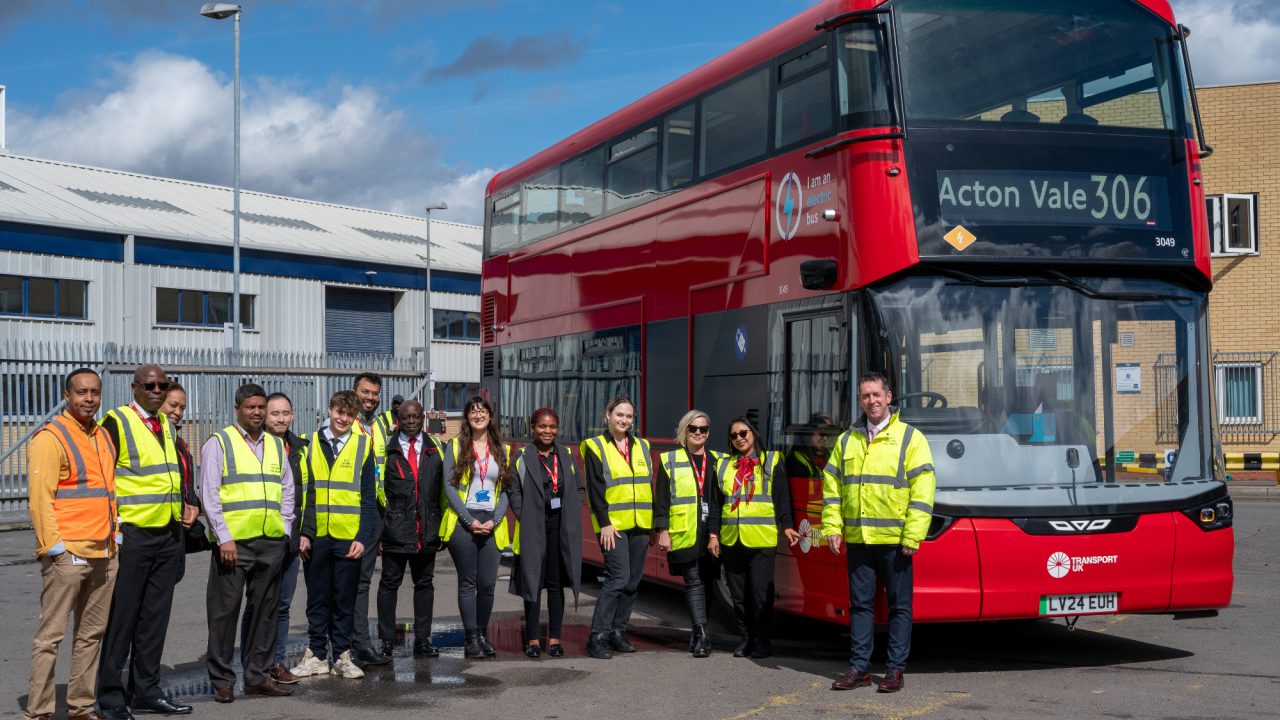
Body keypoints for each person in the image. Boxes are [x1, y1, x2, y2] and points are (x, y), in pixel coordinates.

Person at [824, 372, 936, 694]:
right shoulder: (848, 440)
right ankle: (859, 668)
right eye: (865, 396)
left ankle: (894, 670)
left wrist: (912, 535)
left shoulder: (910, 438)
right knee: (860, 606)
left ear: (889, 397)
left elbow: (923, 489)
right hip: (859, 539)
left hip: (896, 542)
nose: (871, 401)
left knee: (900, 606)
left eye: (876, 395)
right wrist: (832, 527)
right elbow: (831, 486)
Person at [97, 365, 194, 720]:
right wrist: (113, 528)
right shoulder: (116, 422)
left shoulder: (166, 425)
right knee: (122, 619)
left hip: (167, 535)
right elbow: (102, 478)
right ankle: (109, 698)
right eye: (150, 385)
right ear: (135, 387)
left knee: (154, 619)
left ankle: (146, 691)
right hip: (133, 536)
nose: (157, 390)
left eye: (162, 385)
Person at [24, 368, 118, 720]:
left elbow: (109, 492)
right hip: (69, 554)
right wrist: (56, 549)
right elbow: (40, 501)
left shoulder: (102, 436)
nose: (89, 399)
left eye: (94, 392)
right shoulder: (51, 438)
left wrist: (116, 535)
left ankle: (80, 706)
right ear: (67, 395)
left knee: (91, 635)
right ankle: (39, 712)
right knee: (50, 638)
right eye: (81, 392)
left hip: (105, 551)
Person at [200, 384, 295, 703]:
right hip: (234, 544)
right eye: (250, 407)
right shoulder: (220, 443)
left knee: (264, 612)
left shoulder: (274, 444)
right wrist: (223, 537)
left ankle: (256, 676)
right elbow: (209, 494)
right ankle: (222, 679)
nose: (256, 412)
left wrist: (285, 530)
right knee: (224, 613)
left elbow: (287, 489)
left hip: (270, 542)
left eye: (261, 407)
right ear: (238, 408)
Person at [290, 390, 380, 680]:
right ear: (329, 410)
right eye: (339, 412)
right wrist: (305, 532)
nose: (343, 418)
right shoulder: (310, 443)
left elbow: (368, 498)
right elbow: (306, 493)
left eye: (349, 415)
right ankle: (316, 655)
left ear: (355, 418)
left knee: (344, 599)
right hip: (317, 536)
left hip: (348, 537)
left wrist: (362, 538)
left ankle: (342, 655)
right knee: (317, 599)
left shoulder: (364, 446)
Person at [707, 417, 801, 659]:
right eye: (734, 435)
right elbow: (717, 505)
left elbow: (782, 498)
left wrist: (788, 526)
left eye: (743, 433)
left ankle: (762, 640)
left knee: (759, 595)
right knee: (738, 598)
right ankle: (745, 638)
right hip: (731, 541)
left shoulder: (771, 461)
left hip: (761, 541)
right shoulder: (724, 466)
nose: (739, 438)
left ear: (754, 434)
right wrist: (713, 535)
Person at [580, 396, 652, 660]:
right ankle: (597, 636)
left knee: (632, 583)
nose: (624, 420)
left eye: (629, 416)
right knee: (617, 579)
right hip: (614, 527)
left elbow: (647, 486)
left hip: (640, 525)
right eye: (619, 415)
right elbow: (596, 489)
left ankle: (618, 632)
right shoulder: (595, 446)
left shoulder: (642, 446)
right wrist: (606, 524)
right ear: (607, 415)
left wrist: (654, 525)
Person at [243, 392, 308, 685]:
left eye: (285, 413)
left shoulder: (301, 449)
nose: (280, 418)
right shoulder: (255, 447)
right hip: (260, 540)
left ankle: (275, 662)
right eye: (274, 413)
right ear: (265, 416)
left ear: (292, 415)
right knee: (258, 603)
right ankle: (251, 662)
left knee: (281, 606)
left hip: (291, 540)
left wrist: (306, 532)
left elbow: (310, 494)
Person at [440, 396, 512, 659]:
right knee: (468, 583)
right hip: (464, 521)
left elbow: (506, 489)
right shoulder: (456, 447)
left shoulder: (501, 448)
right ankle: (471, 637)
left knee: (488, 584)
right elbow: (449, 487)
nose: (478, 415)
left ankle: (482, 633)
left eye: (483, 411)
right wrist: (469, 521)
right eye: (473, 411)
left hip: (492, 522)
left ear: (490, 416)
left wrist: (496, 519)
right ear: (467, 417)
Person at [509, 408, 583, 659]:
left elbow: (579, 488)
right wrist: (524, 515)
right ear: (533, 428)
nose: (547, 431)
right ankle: (532, 638)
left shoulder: (567, 455)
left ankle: (554, 639)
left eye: (552, 427)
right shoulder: (522, 455)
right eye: (542, 426)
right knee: (532, 583)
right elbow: (514, 490)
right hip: (533, 527)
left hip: (560, 527)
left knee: (555, 584)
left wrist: (573, 510)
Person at [376, 399, 445, 658]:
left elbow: (442, 490)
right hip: (395, 529)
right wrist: (380, 531)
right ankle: (386, 640)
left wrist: (441, 527)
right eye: (406, 417)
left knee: (425, 585)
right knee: (388, 585)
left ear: (423, 417)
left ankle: (422, 640)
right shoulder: (386, 450)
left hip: (426, 531)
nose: (411, 421)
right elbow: (378, 490)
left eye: (416, 416)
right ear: (398, 420)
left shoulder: (436, 447)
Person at [654, 410, 720, 658]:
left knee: (708, 582)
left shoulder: (718, 460)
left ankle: (696, 632)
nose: (699, 433)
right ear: (685, 430)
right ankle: (703, 634)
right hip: (683, 531)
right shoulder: (669, 460)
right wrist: (662, 530)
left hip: (710, 531)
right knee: (693, 581)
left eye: (703, 429)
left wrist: (715, 533)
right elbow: (661, 498)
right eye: (693, 429)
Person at [350, 372, 391, 666]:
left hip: (373, 510)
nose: (371, 398)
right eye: (366, 392)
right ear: (355, 391)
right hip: (347, 511)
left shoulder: (376, 426)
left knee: (363, 581)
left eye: (375, 394)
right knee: (343, 582)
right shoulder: (343, 423)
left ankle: (360, 644)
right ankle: (343, 644)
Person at [158, 384, 207, 556]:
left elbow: (186, 484)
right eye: (173, 405)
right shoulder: (150, 441)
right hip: (156, 528)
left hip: (178, 527)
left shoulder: (180, 442)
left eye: (182, 408)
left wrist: (195, 506)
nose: (178, 412)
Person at [785, 413, 837, 480]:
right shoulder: (796, 459)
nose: (825, 438)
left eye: (829, 434)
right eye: (822, 433)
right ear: (811, 432)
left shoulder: (833, 455)